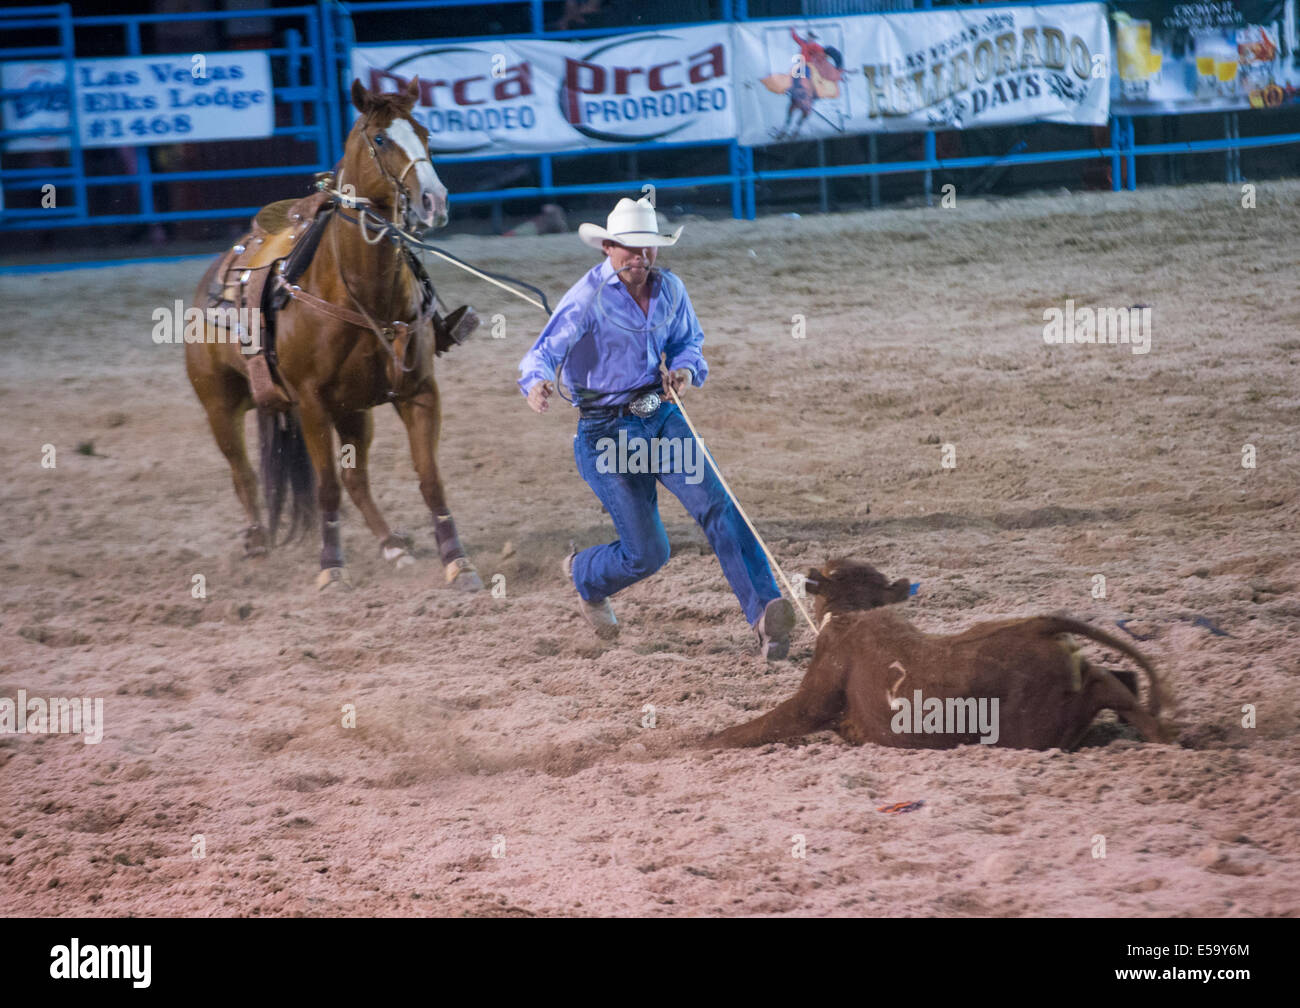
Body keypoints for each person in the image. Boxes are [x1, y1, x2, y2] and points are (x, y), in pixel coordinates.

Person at [517, 197, 796, 660]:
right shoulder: (587, 298)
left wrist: (685, 371)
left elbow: (688, 342)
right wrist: (538, 382)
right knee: (647, 553)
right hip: (606, 434)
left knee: (718, 506)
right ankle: (585, 573)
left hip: (660, 418)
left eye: (647, 247)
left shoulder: (670, 291)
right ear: (607, 248)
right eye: (628, 248)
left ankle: (765, 613)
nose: (639, 257)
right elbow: (542, 352)